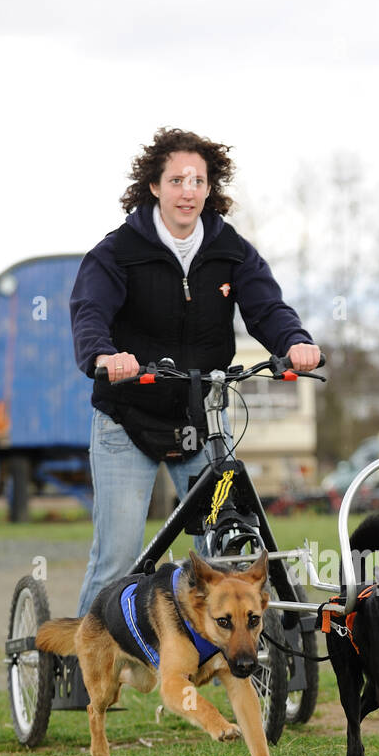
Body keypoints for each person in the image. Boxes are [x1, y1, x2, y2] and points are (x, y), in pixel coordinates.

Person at [70, 126, 321, 616]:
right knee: (119, 559)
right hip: (128, 417)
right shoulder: (118, 251)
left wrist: (295, 343)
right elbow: (90, 311)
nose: (188, 191)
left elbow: (267, 307)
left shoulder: (230, 250)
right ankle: (81, 668)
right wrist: (104, 356)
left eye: (198, 181)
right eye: (178, 180)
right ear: (155, 187)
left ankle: (210, 663)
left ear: (210, 188)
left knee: (220, 555)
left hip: (203, 421)